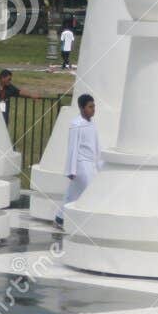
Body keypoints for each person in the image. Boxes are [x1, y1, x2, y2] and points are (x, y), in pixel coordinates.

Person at [59, 93, 99, 227]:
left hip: (91, 163)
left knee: (73, 193)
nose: (93, 109)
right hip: (81, 163)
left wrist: (99, 163)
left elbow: (96, 145)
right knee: (87, 190)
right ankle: (84, 220)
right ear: (82, 108)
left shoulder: (91, 124)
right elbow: (72, 148)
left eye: (94, 106)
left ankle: (60, 217)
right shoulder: (76, 124)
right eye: (90, 107)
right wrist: (71, 169)